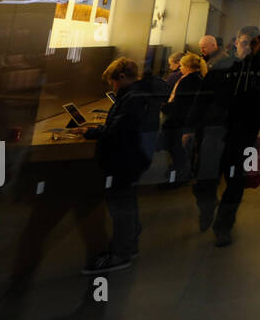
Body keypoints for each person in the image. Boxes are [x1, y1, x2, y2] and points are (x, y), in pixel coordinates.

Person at [82, 57, 164, 274]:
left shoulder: (132, 98)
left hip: (125, 158)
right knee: (127, 202)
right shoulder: (138, 94)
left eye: (113, 82)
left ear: (121, 77)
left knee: (120, 206)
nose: (113, 87)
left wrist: (91, 132)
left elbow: (119, 130)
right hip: (136, 156)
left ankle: (121, 253)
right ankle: (129, 245)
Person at [193, 26, 260, 246]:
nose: (249, 48)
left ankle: (223, 226)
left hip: (244, 134)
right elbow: (203, 97)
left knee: (236, 183)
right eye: (244, 43)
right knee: (205, 180)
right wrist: (193, 127)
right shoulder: (223, 66)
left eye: (253, 43)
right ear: (236, 42)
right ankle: (208, 206)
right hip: (216, 132)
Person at [161, 51, 207, 185]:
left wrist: (165, 107)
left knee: (179, 152)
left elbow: (180, 104)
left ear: (188, 67)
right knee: (185, 152)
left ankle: (178, 178)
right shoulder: (199, 79)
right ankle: (182, 175)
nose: (180, 68)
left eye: (181, 65)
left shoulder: (187, 81)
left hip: (181, 122)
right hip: (189, 122)